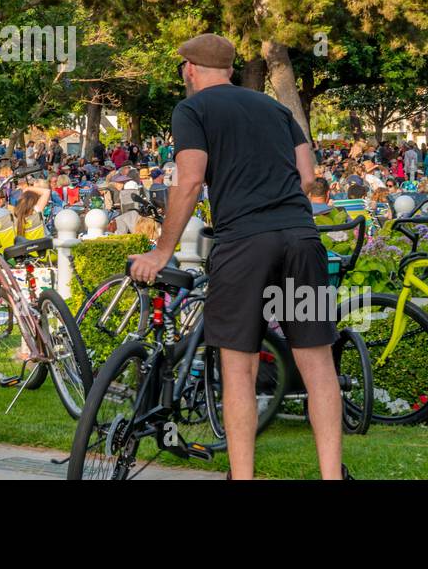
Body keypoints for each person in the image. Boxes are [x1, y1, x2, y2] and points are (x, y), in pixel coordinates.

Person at [128, 33, 345, 480]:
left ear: (190, 69)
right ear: (228, 69)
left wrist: (162, 250)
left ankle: (241, 477)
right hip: (302, 240)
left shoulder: (191, 110)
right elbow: (308, 176)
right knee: (318, 363)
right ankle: (331, 475)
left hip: (245, 244)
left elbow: (189, 181)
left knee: (239, 365)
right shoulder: (276, 109)